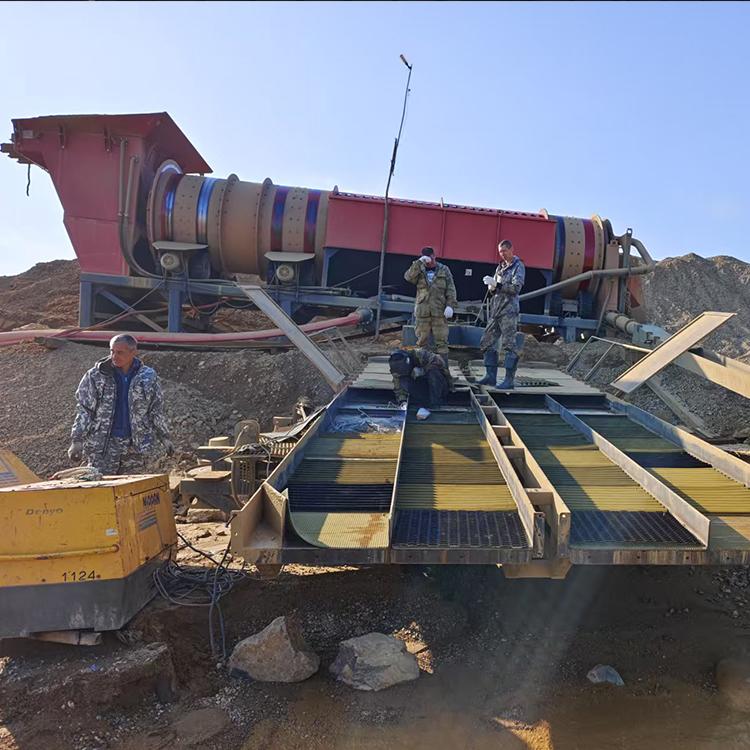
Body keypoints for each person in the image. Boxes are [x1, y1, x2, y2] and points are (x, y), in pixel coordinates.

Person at [68, 334, 174, 474]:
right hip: (103, 447)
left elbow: (156, 409)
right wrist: (77, 440)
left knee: (135, 486)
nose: (114, 356)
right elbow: (85, 409)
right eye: (112, 351)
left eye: (120, 352)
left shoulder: (148, 377)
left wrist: (164, 437)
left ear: (133, 352)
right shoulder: (96, 376)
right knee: (102, 485)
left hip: (137, 447)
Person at [478, 239, 526, 389]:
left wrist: (497, 285)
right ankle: (490, 376)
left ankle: (509, 380)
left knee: (509, 345)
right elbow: (495, 289)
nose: (502, 254)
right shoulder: (500, 267)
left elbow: (516, 288)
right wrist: (492, 287)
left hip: (508, 311)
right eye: (500, 252)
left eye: (504, 251)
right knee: (486, 341)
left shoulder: (518, 266)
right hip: (496, 310)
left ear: (511, 249)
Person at [403, 246, 457, 367]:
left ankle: (443, 371)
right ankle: (423, 371)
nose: (429, 261)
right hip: (423, 312)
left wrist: (450, 306)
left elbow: (451, 289)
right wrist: (418, 263)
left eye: (430, 257)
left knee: (442, 343)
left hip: (439, 312)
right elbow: (408, 277)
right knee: (422, 342)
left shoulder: (444, 269)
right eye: (426, 258)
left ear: (434, 256)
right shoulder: (419, 268)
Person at [388, 348, 452, 421]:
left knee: (433, 372)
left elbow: (440, 362)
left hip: (439, 387)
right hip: (423, 390)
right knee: (404, 382)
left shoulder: (420, 354)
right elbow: (398, 387)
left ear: (408, 361)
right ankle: (424, 403)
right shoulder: (396, 369)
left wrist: (423, 371)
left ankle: (435, 404)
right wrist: (402, 401)